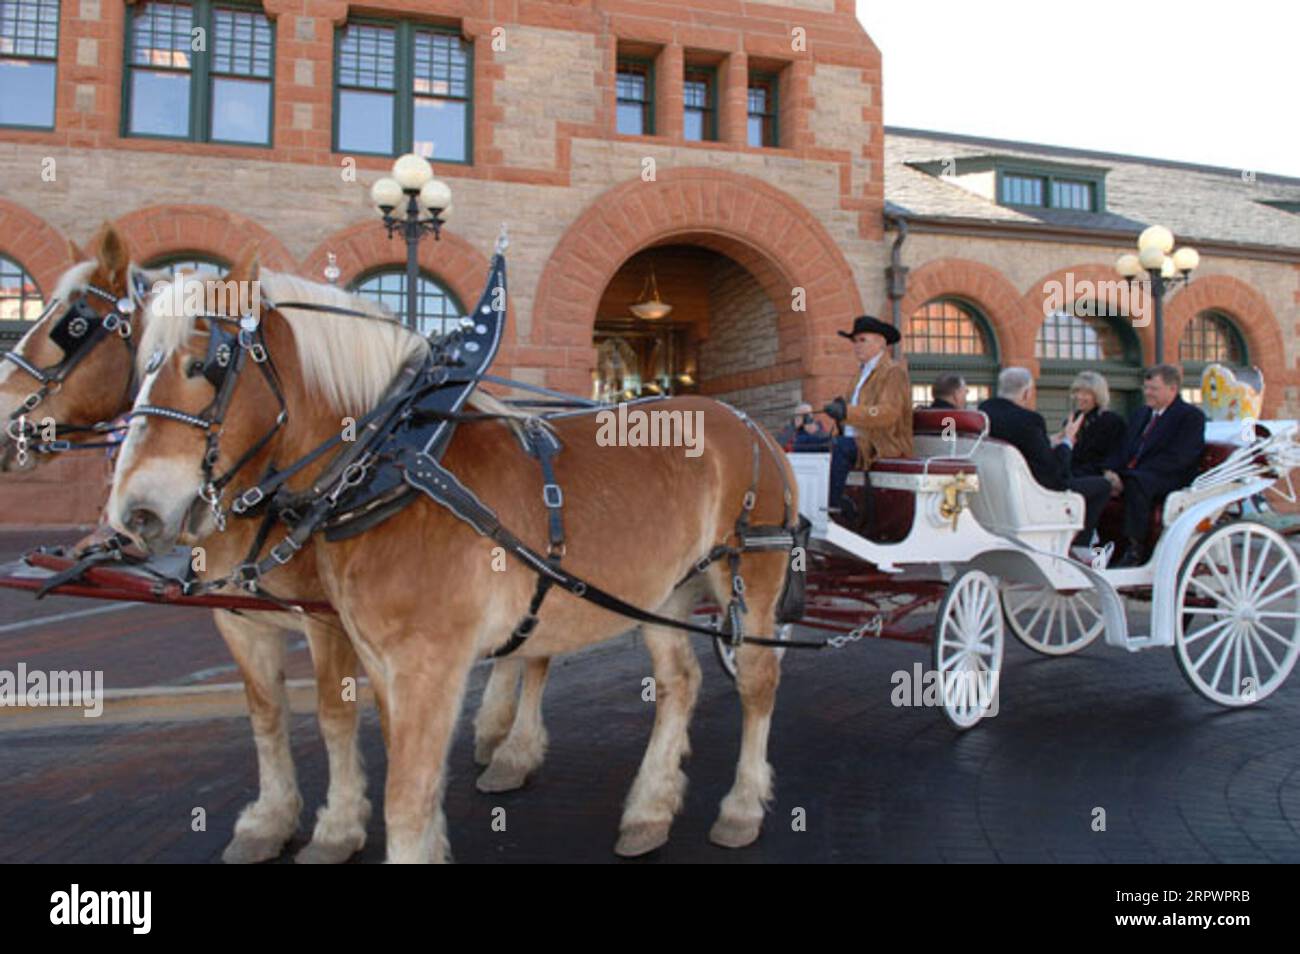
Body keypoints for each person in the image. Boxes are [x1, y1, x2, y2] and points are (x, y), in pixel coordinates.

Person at [979, 367, 1110, 549]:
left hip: (996, 487)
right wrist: (1067, 442)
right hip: (1035, 489)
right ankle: (1080, 547)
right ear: (1026, 393)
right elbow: (1052, 472)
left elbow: (1023, 445)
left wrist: (1054, 440)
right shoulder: (1029, 420)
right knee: (1103, 486)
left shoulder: (984, 411)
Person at [1103, 364, 1206, 567]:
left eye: (1154, 389)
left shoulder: (1190, 416)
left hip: (1170, 477)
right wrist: (1111, 471)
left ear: (1172, 389)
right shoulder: (1141, 414)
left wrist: (1127, 476)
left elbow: (1181, 457)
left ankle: (1136, 550)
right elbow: (1124, 449)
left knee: (1137, 482)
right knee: (1098, 483)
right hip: (1137, 474)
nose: (1147, 393)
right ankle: (1103, 547)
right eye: (1146, 388)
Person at [822, 315, 913, 529]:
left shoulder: (893, 372)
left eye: (862, 340)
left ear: (880, 342)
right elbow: (851, 409)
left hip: (883, 444)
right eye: (854, 341)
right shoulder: (860, 374)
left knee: (839, 447)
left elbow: (889, 413)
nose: (856, 346)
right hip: (857, 441)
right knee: (809, 445)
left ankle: (833, 507)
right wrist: (840, 409)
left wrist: (847, 412)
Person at [1057, 370, 1126, 478]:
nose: (1079, 397)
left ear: (1098, 396)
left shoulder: (1112, 422)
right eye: (1077, 392)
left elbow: (1115, 457)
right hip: (1070, 476)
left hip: (1097, 478)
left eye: (1085, 393)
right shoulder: (1072, 420)